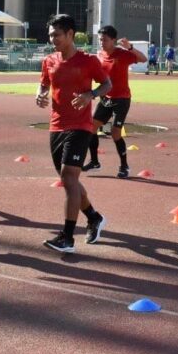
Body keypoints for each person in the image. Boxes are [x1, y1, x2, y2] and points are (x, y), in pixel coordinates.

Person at [37, 13, 113, 253]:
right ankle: (93, 217)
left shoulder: (88, 61)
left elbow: (107, 85)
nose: (53, 40)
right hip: (56, 126)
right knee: (69, 180)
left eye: (57, 35)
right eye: (50, 35)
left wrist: (90, 95)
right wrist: (40, 94)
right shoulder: (49, 60)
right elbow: (44, 83)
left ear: (70, 34)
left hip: (81, 126)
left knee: (69, 178)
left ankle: (67, 237)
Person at [84, 26, 146, 178]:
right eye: (100, 40)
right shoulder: (98, 55)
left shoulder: (122, 54)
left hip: (122, 99)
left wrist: (130, 47)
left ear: (113, 40)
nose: (102, 42)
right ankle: (94, 162)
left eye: (105, 40)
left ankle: (124, 166)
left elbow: (143, 59)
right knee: (91, 128)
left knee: (115, 132)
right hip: (106, 98)